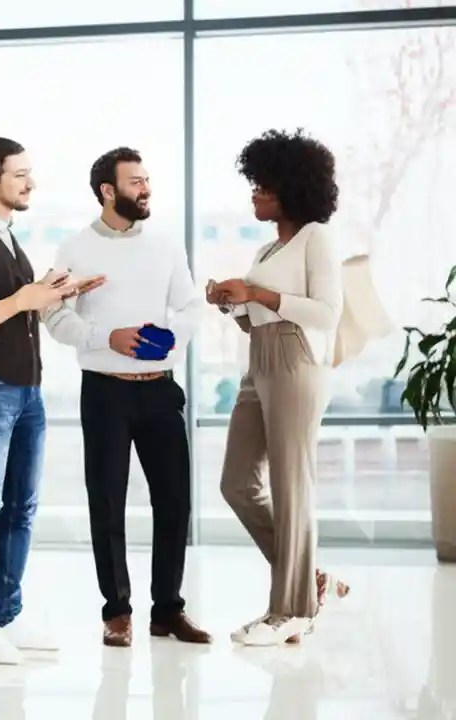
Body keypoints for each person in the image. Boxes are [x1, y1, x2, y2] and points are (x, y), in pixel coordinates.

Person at [0, 137, 103, 664]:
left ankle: (8, 612)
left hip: (27, 393)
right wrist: (26, 298)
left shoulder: (9, 239)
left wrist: (53, 291)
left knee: (22, 509)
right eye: (20, 175)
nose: (30, 183)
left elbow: (14, 307)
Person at [42, 147, 211, 648]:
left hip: (159, 390)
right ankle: (117, 613)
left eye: (147, 179)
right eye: (135, 182)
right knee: (107, 503)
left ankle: (168, 611)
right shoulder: (74, 249)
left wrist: (166, 336)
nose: (146, 189)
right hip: (104, 394)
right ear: (108, 191)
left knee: (175, 502)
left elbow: (191, 306)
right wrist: (106, 337)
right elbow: (54, 317)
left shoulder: (165, 246)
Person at [207, 128, 350, 647]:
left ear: (291, 187)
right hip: (259, 358)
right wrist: (231, 301)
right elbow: (255, 315)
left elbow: (327, 312)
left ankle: (289, 611)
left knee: (291, 486)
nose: (254, 193)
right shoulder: (269, 247)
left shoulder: (316, 239)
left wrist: (257, 292)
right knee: (237, 482)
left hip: (295, 357)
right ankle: (309, 585)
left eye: (263, 186)